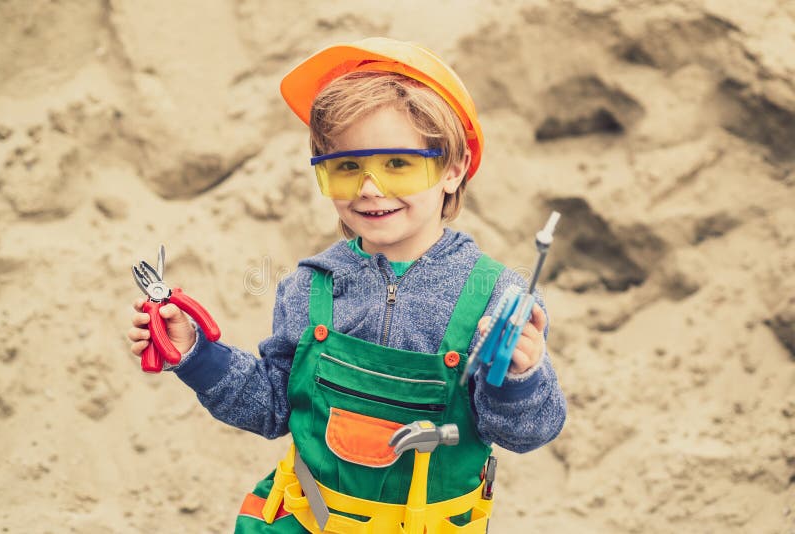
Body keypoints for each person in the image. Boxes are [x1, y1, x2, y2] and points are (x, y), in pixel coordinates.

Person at [127, 37, 566, 533]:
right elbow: (273, 407)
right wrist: (198, 355)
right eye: (346, 168)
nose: (370, 189)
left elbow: (530, 432)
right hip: (306, 520)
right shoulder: (308, 286)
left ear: (453, 168)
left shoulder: (498, 297)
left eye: (398, 164)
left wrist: (519, 377)